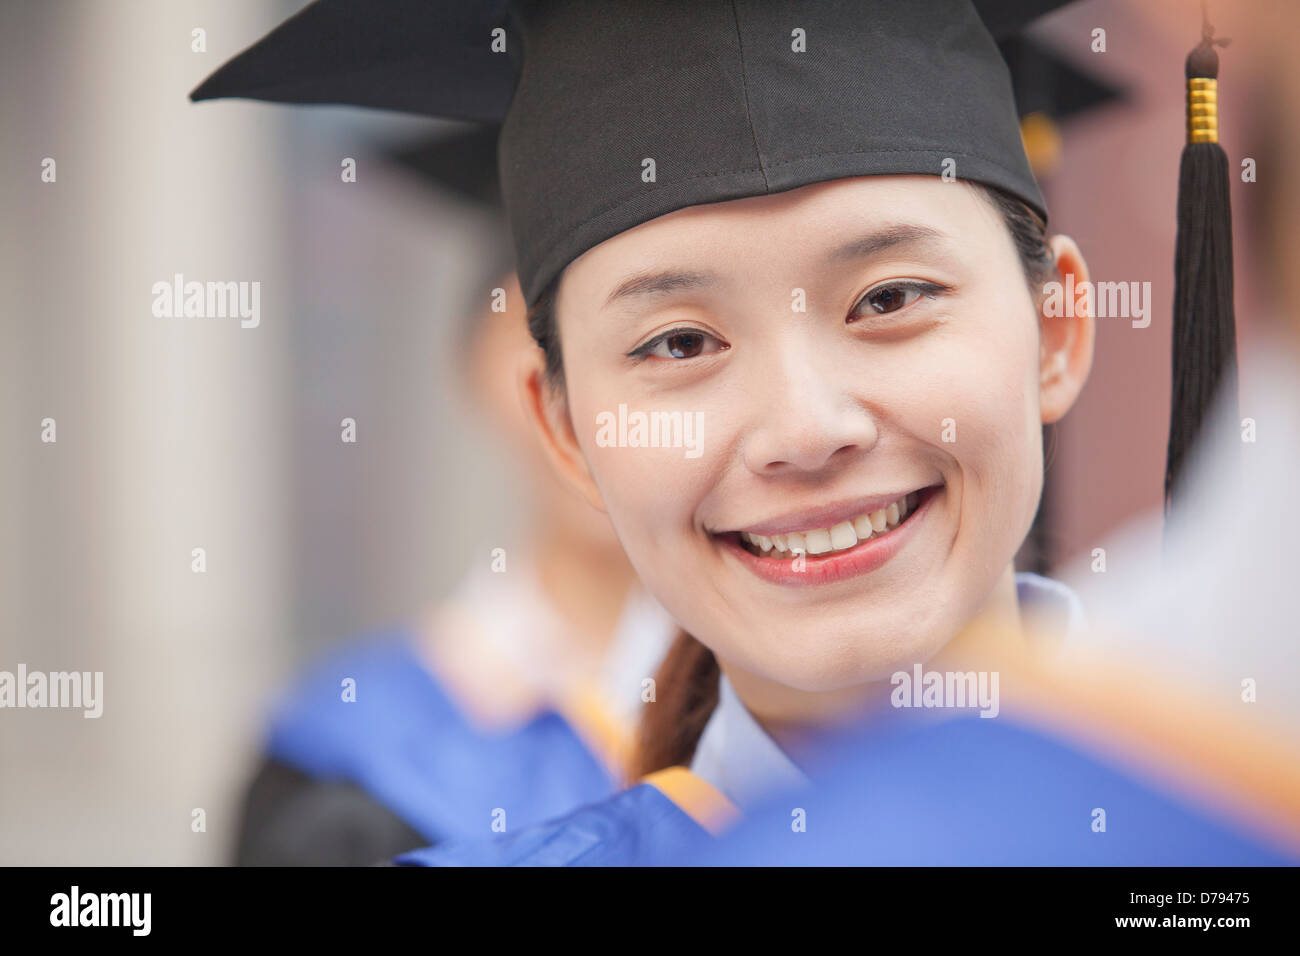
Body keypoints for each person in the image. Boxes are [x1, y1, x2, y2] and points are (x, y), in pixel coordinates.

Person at [192, 0, 1295, 866]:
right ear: (564, 429)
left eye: (889, 296)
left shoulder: (1231, 812)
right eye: (677, 343)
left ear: (1054, 327)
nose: (804, 429)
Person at [231, 127, 676, 865]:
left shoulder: (824, 726)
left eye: (671, 344)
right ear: (472, 366)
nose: (595, 410)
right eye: (545, 343)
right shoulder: (340, 752)